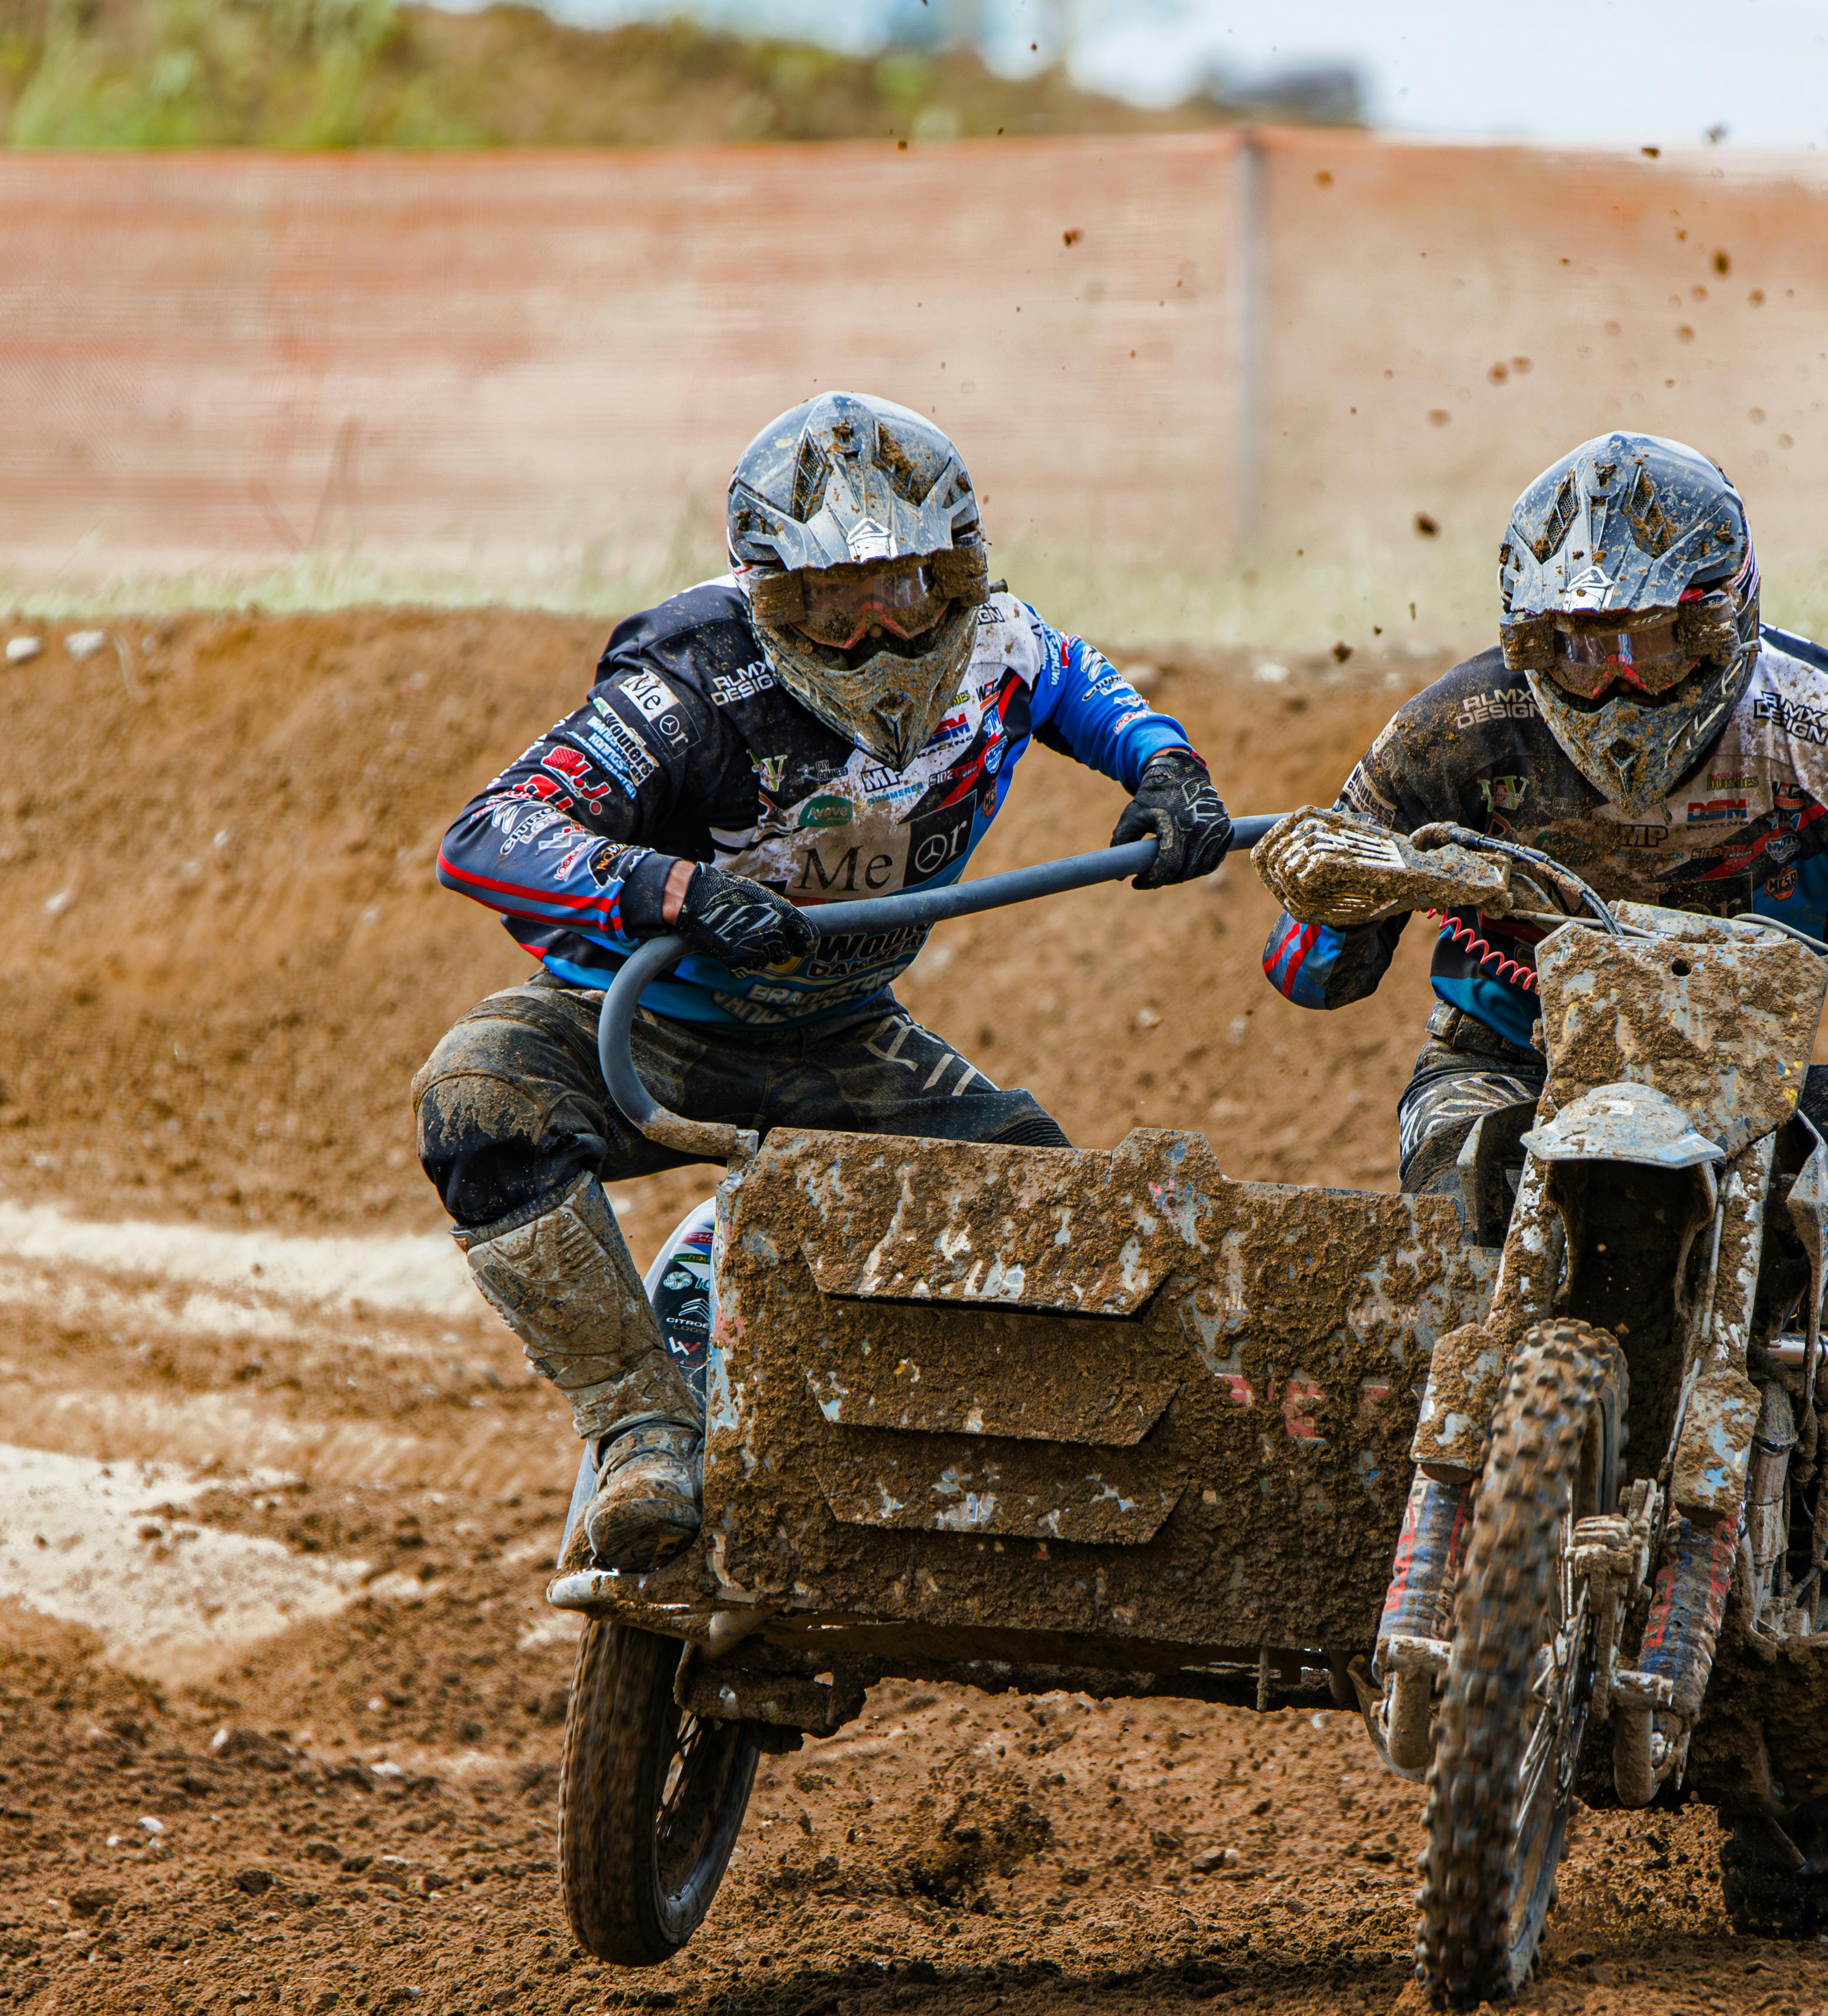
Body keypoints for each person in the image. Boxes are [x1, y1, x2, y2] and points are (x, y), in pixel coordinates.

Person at [1252, 431, 1828, 1700]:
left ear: (1723, 623)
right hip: (1510, 1063)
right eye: (1574, 647)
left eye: (1651, 646)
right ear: (1523, 640)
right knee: (1453, 1200)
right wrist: (1334, 892)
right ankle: (1412, 1524)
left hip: (1746, 1082)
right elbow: (1308, 969)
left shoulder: (1821, 723)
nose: (1612, 689)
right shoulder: (1454, 731)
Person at [413, 392, 1231, 1573]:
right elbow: (489, 832)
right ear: (765, 595)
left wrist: (1166, 771)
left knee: (1062, 1226)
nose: (883, 640)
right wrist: (670, 891)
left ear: (961, 576)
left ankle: (948, 1486)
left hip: (845, 1033)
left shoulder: (999, 644)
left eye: (908, 594)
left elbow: (1081, 683)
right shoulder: (689, 678)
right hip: (650, 1017)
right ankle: (640, 1426)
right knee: (478, 1097)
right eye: (834, 610)